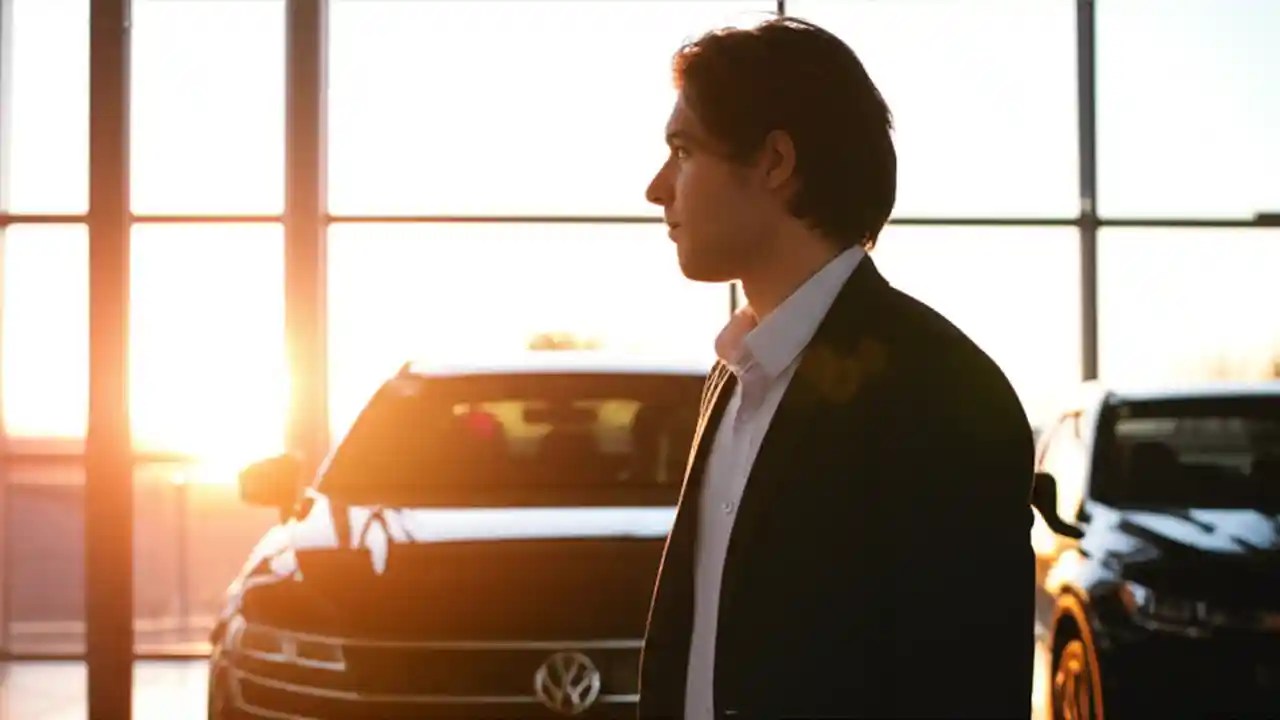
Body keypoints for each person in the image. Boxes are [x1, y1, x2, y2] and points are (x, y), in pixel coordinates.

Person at [637, 16, 1035, 720]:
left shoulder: (944, 393)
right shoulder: (732, 379)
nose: (656, 188)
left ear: (774, 162)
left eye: (683, 151)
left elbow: (965, 687)